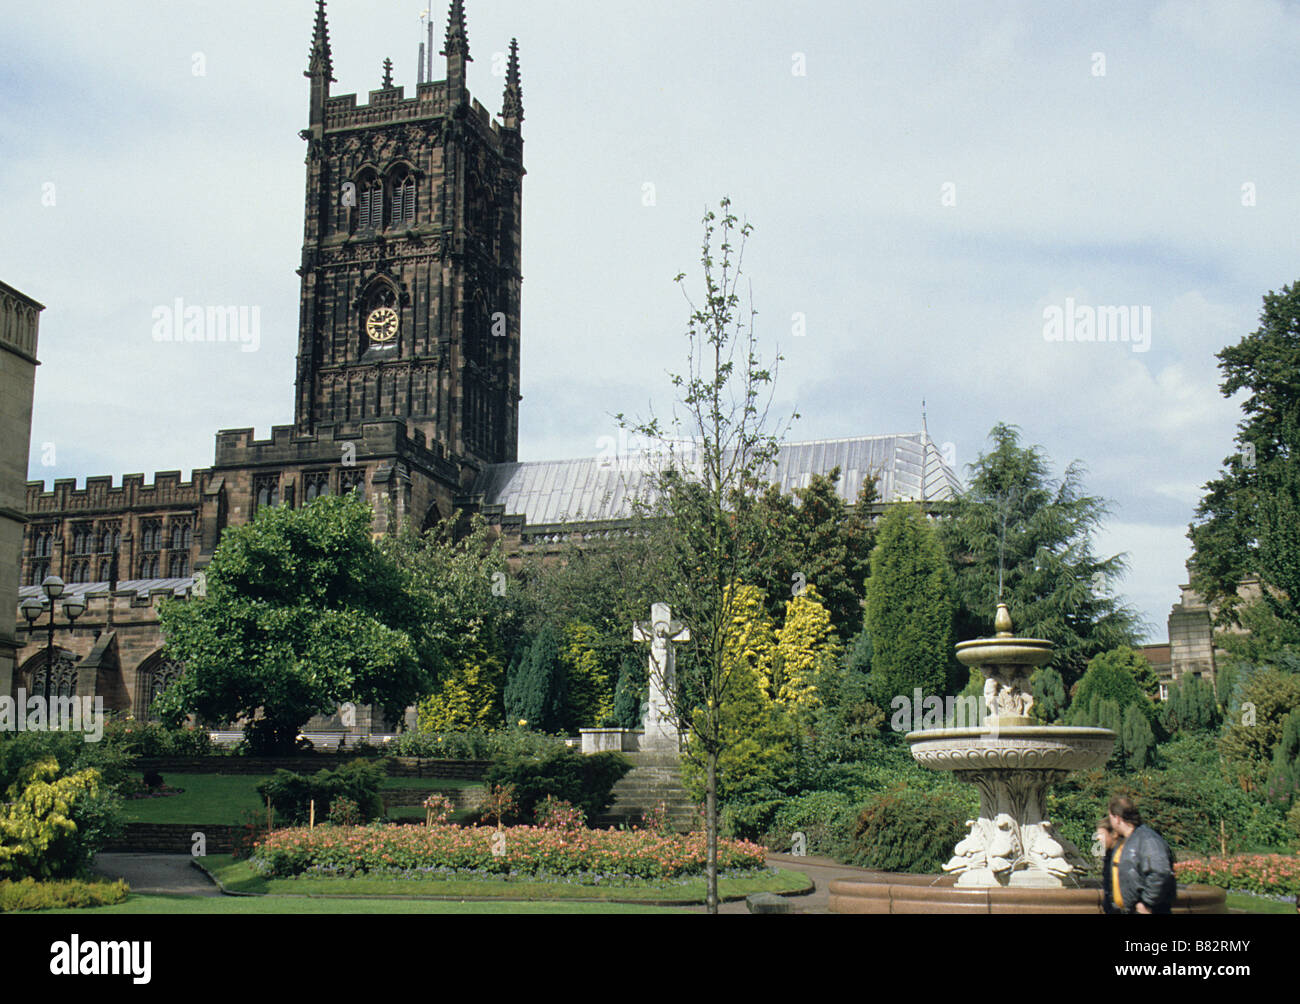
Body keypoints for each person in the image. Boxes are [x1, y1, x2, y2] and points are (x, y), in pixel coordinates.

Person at [1105, 795, 1176, 914]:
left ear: (1117, 818)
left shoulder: (1148, 840)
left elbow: (1160, 872)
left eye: (1110, 817)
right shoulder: (1124, 841)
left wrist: (1147, 903)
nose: (1110, 822)